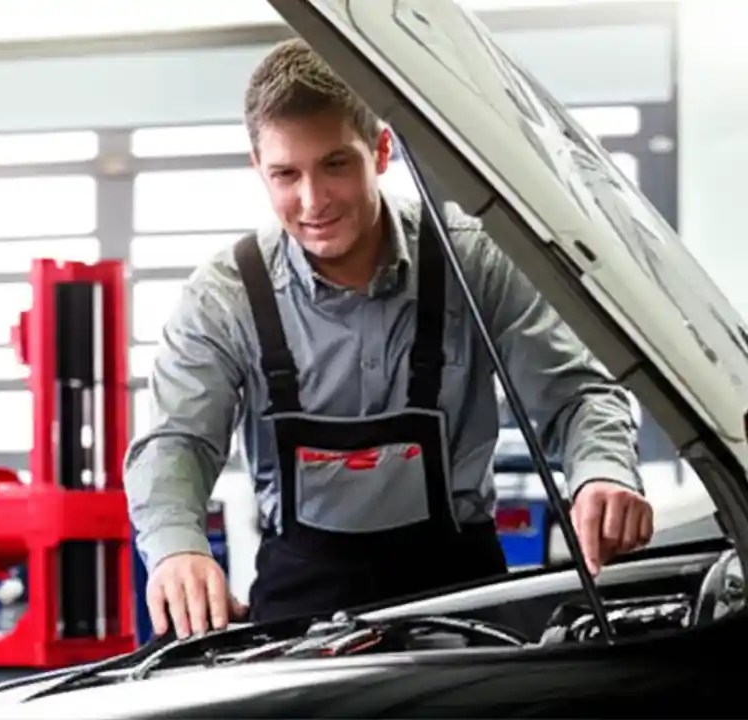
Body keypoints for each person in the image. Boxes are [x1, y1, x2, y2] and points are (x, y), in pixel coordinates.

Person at [125, 38, 654, 639]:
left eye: (335, 164)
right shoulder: (225, 294)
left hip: (462, 593)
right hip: (302, 603)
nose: (313, 200)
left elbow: (577, 396)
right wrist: (175, 545)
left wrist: (602, 473)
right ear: (258, 169)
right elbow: (177, 440)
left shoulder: (473, 260)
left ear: (379, 150)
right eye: (285, 174)